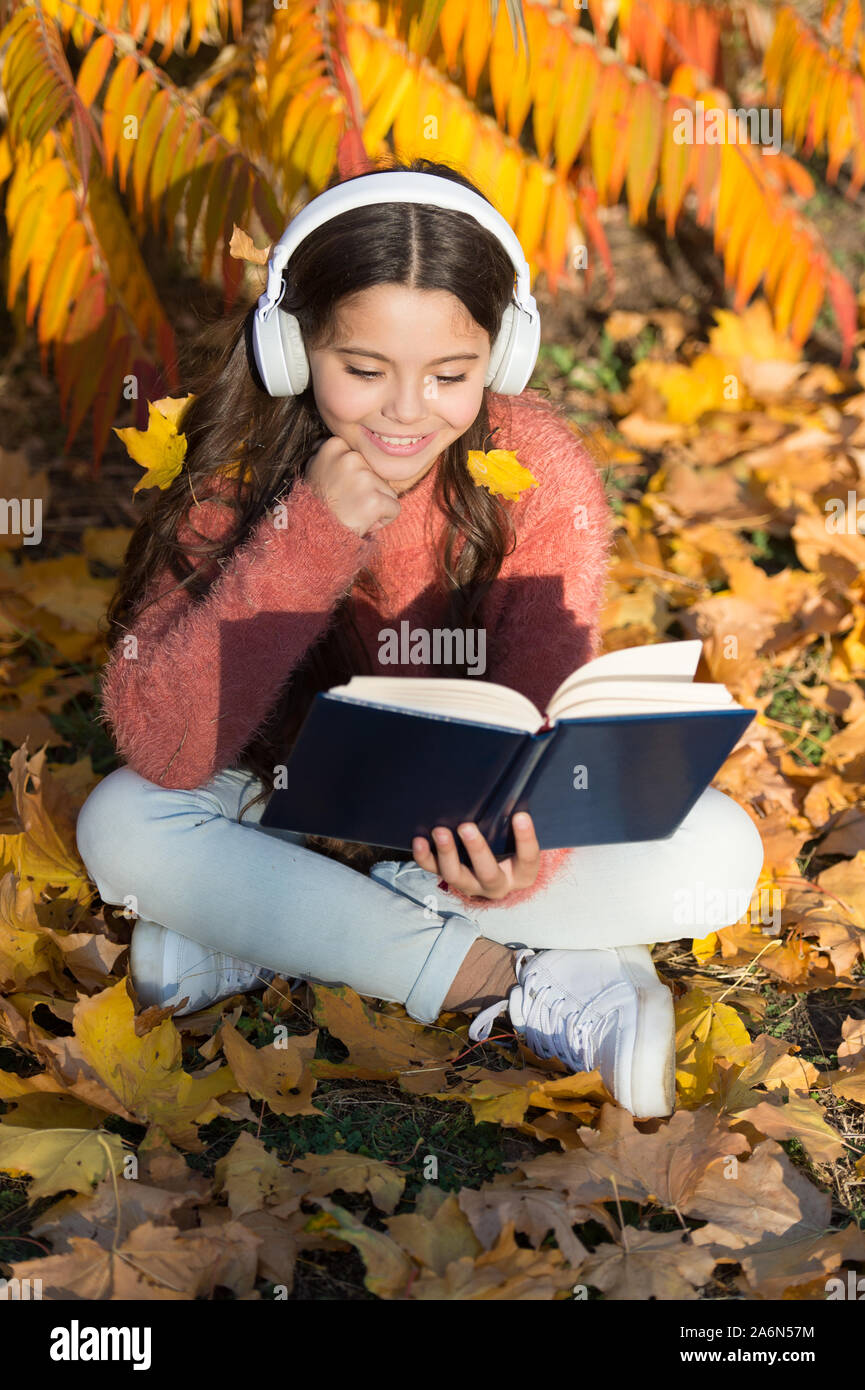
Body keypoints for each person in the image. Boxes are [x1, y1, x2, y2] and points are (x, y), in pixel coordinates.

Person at [75, 157, 764, 1121]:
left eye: (451, 375)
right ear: (290, 345)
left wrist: (525, 859)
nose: (406, 412)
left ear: (504, 355)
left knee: (723, 856)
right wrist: (308, 532)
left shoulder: (531, 469)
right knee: (123, 822)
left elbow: (538, 714)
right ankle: (508, 976)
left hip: (463, 831)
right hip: (272, 801)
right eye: (362, 371)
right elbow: (168, 747)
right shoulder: (236, 466)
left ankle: (275, 923)